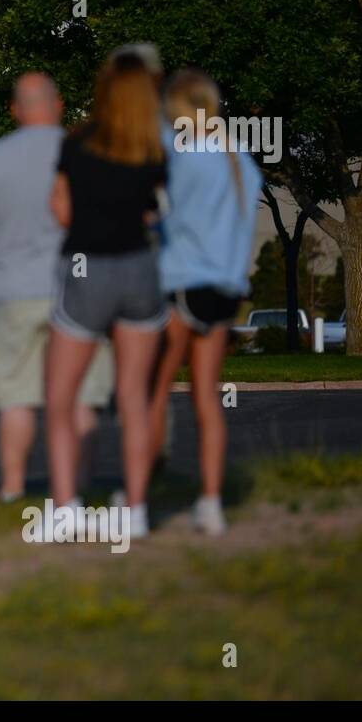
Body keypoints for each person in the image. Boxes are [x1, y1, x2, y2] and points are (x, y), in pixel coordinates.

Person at [0, 72, 114, 504]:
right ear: (59, 104)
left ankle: (12, 488)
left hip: (14, 291)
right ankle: (80, 490)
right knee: (81, 395)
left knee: (17, 397)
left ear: (14, 110)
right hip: (77, 290)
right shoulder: (86, 151)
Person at [46, 53, 168, 537]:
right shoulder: (152, 149)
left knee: (61, 396)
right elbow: (159, 212)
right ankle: (135, 510)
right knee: (135, 397)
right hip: (140, 269)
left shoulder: (77, 143)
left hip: (87, 268)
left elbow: (58, 207)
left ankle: (65, 510)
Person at [147, 69, 262, 535]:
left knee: (155, 388)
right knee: (206, 396)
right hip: (224, 290)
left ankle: (143, 491)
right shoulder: (239, 160)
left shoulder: (179, 152)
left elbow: (157, 204)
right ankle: (211, 501)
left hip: (182, 282)